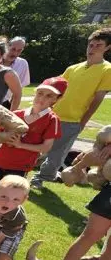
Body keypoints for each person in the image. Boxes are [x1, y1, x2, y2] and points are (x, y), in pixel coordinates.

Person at [32, 28, 111, 189]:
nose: (92, 48)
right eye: (91, 44)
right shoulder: (73, 67)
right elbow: (56, 90)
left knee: (58, 152)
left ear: (107, 48)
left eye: (98, 45)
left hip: (73, 119)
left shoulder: (107, 70)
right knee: (38, 144)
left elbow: (98, 99)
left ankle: (42, 177)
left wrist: (83, 121)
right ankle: (29, 168)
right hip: (52, 114)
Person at [0, 77, 66, 199]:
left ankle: (2, 217)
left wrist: (20, 145)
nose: (42, 98)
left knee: (9, 198)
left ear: (57, 99)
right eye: (40, 93)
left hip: (20, 166)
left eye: (49, 96)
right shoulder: (16, 115)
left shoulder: (52, 120)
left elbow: (46, 148)